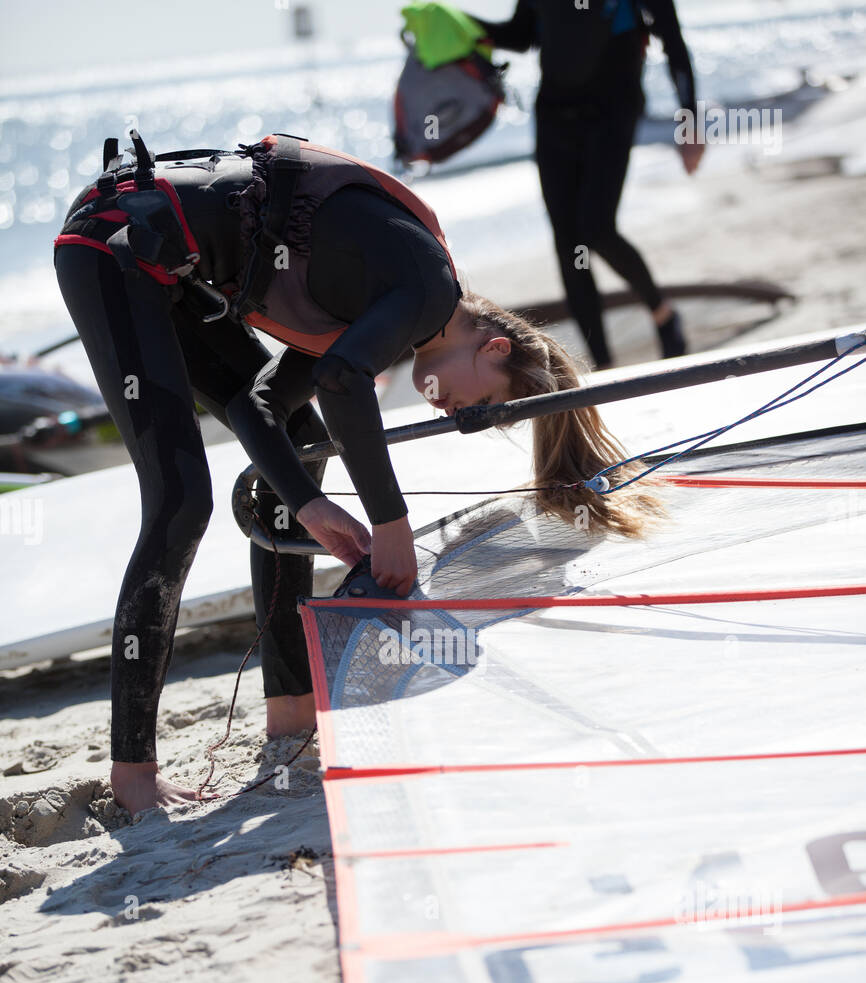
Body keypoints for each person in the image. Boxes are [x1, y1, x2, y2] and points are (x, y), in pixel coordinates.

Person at [54, 131, 659, 816]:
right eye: (485, 403)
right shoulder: (427, 289)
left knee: (301, 446)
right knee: (179, 498)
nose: (463, 415)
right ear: (493, 347)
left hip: (172, 260)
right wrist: (389, 525)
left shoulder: (390, 312)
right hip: (114, 244)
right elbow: (342, 379)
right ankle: (132, 772)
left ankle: (291, 709)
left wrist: (310, 504)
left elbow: (258, 406)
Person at [465, 0, 704, 368]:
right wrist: (456, 24)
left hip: (612, 111)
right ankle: (603, 365)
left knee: (597, 229)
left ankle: (662, 313)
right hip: (555, 117)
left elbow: (672, 40)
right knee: (568, 244)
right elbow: (521, 34)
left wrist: (689, 119)